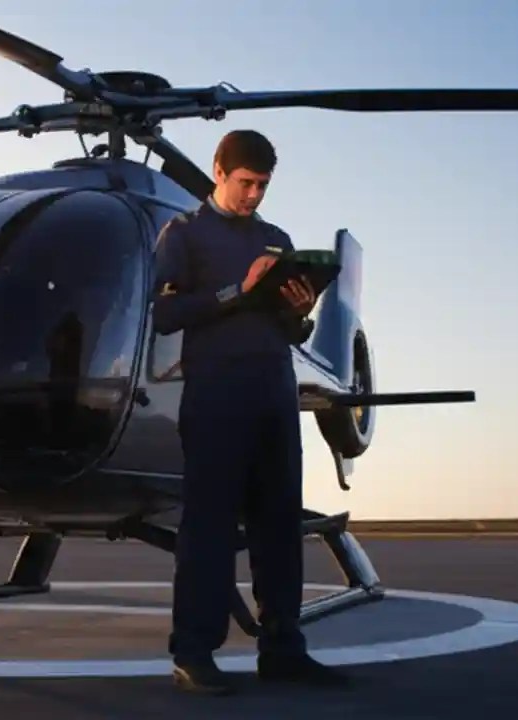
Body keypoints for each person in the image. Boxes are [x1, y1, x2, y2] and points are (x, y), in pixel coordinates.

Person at [152, 129, 348, 694]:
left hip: (273, 394)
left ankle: (283, 649)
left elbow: (289, 329)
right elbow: (165, 316)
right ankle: (193, 652)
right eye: (246, 183)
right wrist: (239, 288)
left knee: (280, 527)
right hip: (216, 396)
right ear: (219, 172)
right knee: (207, 528)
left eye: (263, 185)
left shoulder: (276, 238)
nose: (254, 195)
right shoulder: (184, 234)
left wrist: (301, 309)